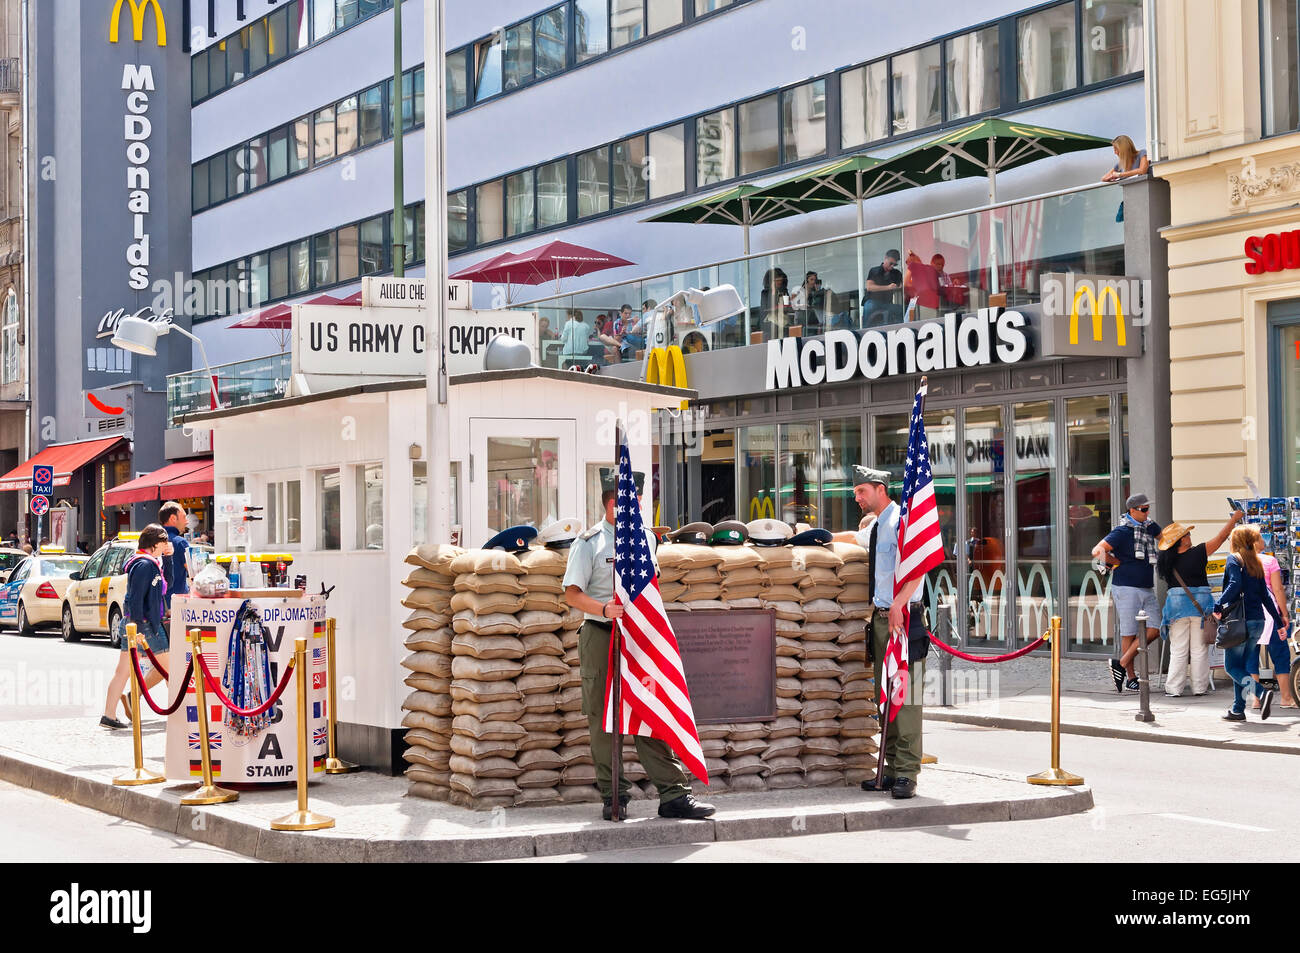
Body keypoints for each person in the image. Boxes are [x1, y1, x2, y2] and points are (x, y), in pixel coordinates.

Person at [562, 468, 715, 822]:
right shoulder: (589, 543)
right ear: (614, 503)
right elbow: (571, 593)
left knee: (651, 710)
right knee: (603, 719)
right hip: (602, 635)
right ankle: (613, 796)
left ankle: (674, 795)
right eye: (635, 501)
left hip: (640, 638)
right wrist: (604, 608)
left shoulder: (646, 539)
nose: (641, 506)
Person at [832, 465, 931, 799]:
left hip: (904, 619)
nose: (856, 498)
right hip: (881, 619)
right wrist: (818, 537)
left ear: (879, 488)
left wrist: (901, 604)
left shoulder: (904, 520)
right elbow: (853, 538)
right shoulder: (877, 526)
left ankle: (907, 772)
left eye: (861, 491)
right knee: (885, 696)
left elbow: (921, 565)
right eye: (855, 492)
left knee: (907, 697)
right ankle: (889, 769)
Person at [1156, 510, 1243, 697]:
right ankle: (1199, 687)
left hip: (1176, 609)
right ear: (1181, 540)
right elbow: (1221, 538)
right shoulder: (1198, 553)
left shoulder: (1167, 561)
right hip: (1200, 609)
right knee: (1199, 649)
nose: (1190, 536)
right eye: (1187, 534)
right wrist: (1234, 519)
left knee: (1178, 650)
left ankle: (1173, 688)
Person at [99, 524, 171, 730]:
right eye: (164, 541)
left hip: (138, 624)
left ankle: (109, 715)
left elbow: (167, 583)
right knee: (171, 671)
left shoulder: (150, 563)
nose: (167, 545)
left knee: (122, 671)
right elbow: (135, 597)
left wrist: (167, 559)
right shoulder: (144, 565)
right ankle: (181, 715)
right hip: (145, 625)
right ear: (155, 544)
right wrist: (138, 626)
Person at [1092, 493, 1163, 692]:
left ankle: (1121, 663)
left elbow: (1164, 539)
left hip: (1146, 586)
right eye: (1144, 509)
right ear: (1132, 510)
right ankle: (1131, 677)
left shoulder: (1149, 526)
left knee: (1155, 628)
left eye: (1148, 508)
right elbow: (1097, 551)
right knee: (1129, 632)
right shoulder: (1122, 531)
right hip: (1126, 586)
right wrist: (1116, 562)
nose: (1147, 512)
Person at [1212, 526, 1281, 721]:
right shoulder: (1256, 562)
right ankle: (1237, 709)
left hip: (1240, 622)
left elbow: (1235, 584)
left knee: (1231, 667)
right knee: (1241, 666)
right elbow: (1266, 596)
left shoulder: (1234, 559)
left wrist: (1218, 604)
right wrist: (1278, 621)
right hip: (1258, 621)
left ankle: (1260, 692)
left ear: (1237, 541)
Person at [1253, 533, 1297, 708]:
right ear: (1254, 542)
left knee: (1251, 655)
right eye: (1261, 538)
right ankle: (1286, 697)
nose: (1265, 540)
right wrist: (1284, 614)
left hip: (1249, 611)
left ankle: (1255, 699)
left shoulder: (1237, 560)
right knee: (1280, 653)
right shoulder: (1269, 561)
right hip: (1270, 612)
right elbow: (1278, 589)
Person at [159, 500, 189, 610]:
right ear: (173, 518)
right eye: (184, 517)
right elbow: (194, 573)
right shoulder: (180, 542)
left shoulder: (153, 540)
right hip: (178, 604)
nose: (187, 521)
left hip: (158, 604)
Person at [864, 249, 903, 325]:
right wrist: (888, 287)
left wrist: (899, 286)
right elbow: (869, 287)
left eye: (895, 265)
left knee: (900, 309)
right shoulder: (874, 270)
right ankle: (866, 329)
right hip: (873, 301)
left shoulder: (896, 273)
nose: (892, 266)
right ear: (885, 258)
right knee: (869, 306)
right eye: (891, 263)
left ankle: (900, 330)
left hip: (887, 303)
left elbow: (901, 286)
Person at [759, 268, 790, 339]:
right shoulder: (765, 293)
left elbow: (787, 305)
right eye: (777, 280)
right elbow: (768, 307)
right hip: (772, 323)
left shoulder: (784, 291)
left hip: (784, 322)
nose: (779, 282)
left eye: (780, 280)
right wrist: (773, 292)